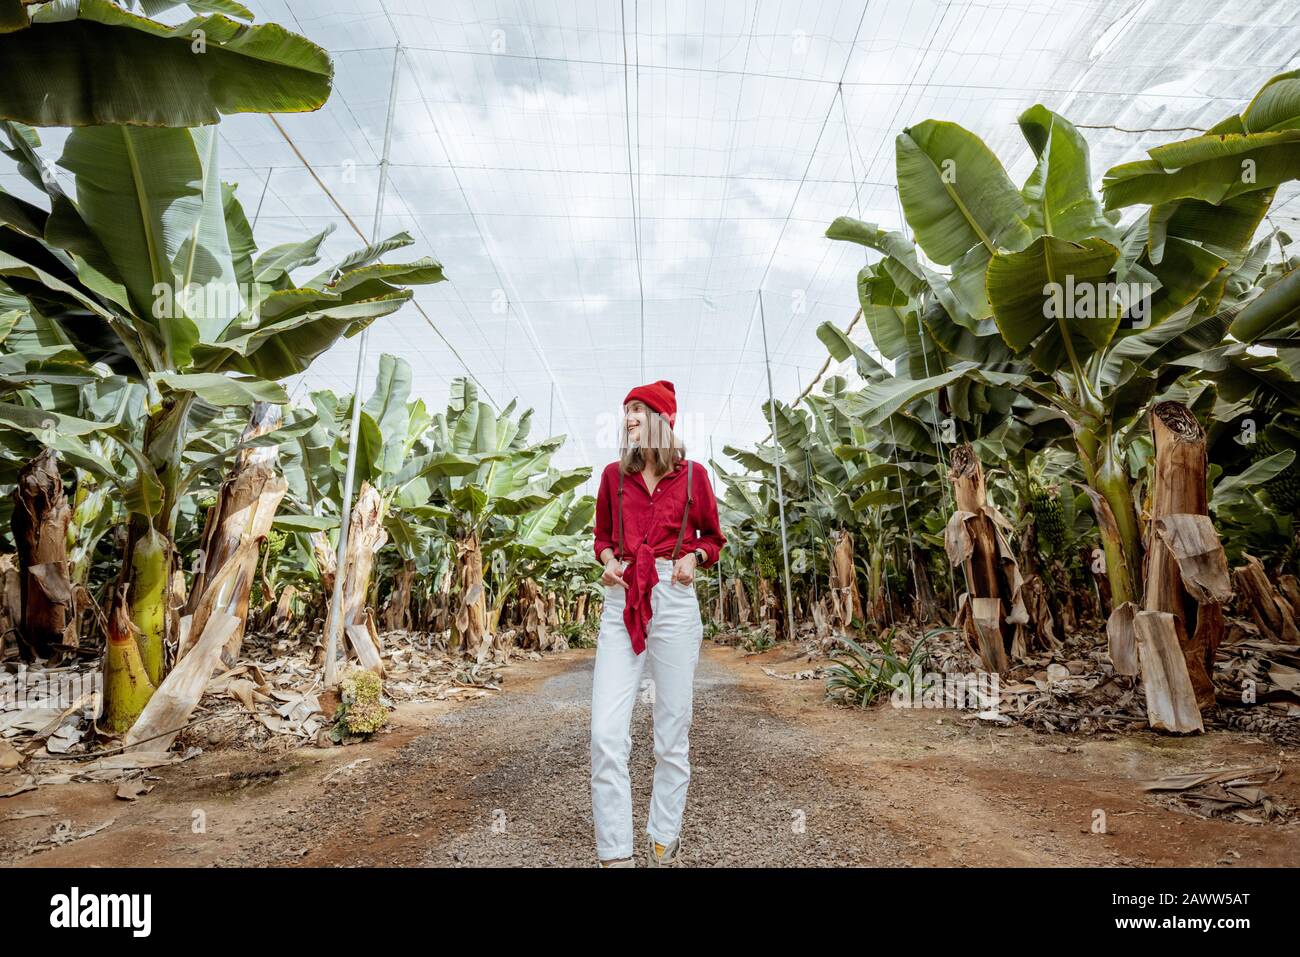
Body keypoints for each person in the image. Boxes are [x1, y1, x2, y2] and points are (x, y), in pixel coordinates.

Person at [589, 379, 727, 867]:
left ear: (664, 420)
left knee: (672, 734)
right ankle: (616, 856)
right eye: (625, 410)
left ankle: (663, 842)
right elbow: (602, 538)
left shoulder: (694, 478)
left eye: (638, 410)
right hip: (623, 595)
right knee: (606, 734)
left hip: (673, 595)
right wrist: (607, 559)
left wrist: (695, 557)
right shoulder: (612, 476)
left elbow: (713, 537)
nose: (627, 418)